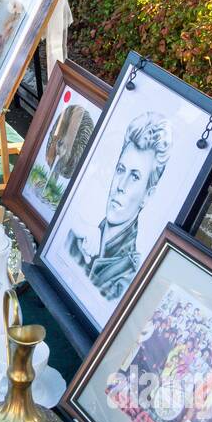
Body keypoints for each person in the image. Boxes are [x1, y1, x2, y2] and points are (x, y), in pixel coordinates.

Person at [66, 111, 173, 302]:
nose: (120, 186)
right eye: (120, 170)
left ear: (147, 196)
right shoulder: (78, 236)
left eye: (134, 177)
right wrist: (78, 227)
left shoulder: (129, 276)